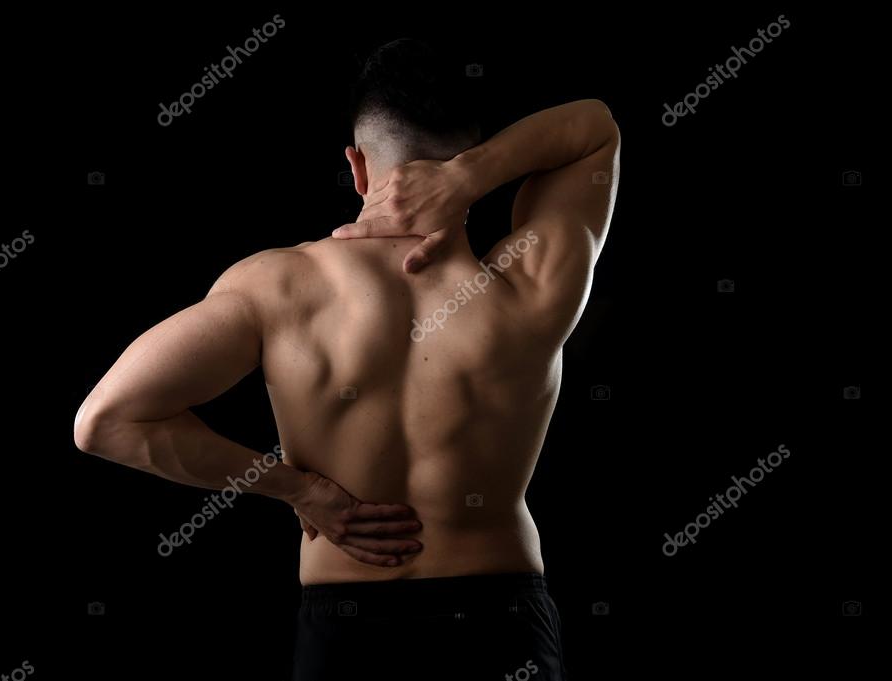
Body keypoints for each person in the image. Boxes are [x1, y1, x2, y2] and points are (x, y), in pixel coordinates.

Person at [73, 38, 618, 681]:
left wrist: (300, 490)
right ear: (472, 159)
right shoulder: (528, 283)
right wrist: (473, 175)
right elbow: (595, 128)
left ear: (356, 168)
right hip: (502, 618)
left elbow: (105, 422)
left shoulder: (277, 287)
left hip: (347, 621)